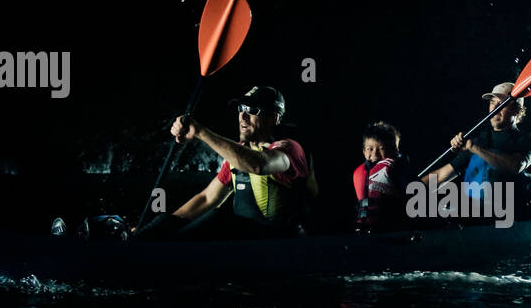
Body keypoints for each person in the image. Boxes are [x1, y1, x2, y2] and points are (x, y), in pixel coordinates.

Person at [134, 85, 318, 239]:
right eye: (241, 109)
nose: (243, 117)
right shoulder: (237, 157)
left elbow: (258, 165)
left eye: (253, 111)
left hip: (281, 241)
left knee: (219, 218)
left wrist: (200, 132)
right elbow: (206, 199)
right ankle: (141, 240)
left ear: (274, 118)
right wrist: (156, 229)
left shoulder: (290, 149)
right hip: (247, 243)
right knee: (167, 223)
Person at [421, 81, 531, 217]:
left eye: (502, 103)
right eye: (492, 102)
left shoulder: (529, 141)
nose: (495, 107)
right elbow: (441, 176)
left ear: (517, 110)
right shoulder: (480, 140)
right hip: (482, 218)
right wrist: (410, 190)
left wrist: (473, 148)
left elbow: (515, 166)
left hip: (516, 219)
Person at [352, 122, 410, 229]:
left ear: (394, 151)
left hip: (393, 230)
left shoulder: (395, 168)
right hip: (362, 231)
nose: (375, 155)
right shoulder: (359, 172)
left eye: (381, 149)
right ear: (364, 152)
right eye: (370, 149)